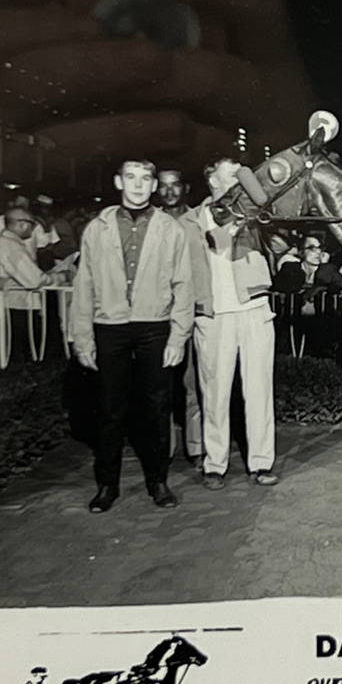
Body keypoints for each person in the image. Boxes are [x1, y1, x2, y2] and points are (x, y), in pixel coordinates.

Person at [68, 158, 194, 513]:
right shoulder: (97, 228)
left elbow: (184, 284)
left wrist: (177, 337)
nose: (138, 185)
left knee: (156, 408)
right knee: (110, 409)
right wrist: (83, 339)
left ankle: (158, 482)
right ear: (118, 181)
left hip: (154, 326)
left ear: (154, 186)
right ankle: (107, 485)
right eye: (131, 178)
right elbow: (84, 286)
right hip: (111, 327)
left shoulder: (170, 229)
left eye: (145, 179)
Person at [184, 154, 277, 489]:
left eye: (242, 177)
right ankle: (215, 464)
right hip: (213, 316)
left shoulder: (253, 214)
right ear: (212, 180)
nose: (239, 182)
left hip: (253, 309)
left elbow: (277, 237)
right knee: (214, 392)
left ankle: (262, 463)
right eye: (231, 177)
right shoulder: (191, 221)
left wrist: (253, 195)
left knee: (259, 391)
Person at [273, 236, 342, 360]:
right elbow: (284, 285)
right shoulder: (291, 267)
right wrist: (311, 290)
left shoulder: (328, 270)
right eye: (312, 248)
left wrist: (318, 286)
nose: (318, 253)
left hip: (319, 327)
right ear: (301, 252)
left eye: (320, 248)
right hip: (290, 325)